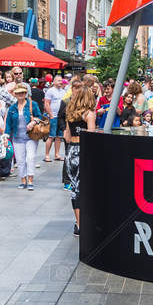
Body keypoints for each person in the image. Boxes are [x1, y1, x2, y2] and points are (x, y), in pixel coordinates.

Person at [63, 77, 96, 236]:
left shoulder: (70, 114)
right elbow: (91, 137)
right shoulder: (89, 114)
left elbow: (67, 137)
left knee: (75, 189)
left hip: (71, 152)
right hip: (83, 151)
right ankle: (85, 225)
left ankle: (78, 224)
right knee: (85, 188)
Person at [9, 82, 48, 190]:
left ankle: (30, 180)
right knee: (20, 160)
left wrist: (33, 122)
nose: (20, 94)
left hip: (31, 137)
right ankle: (23, 180)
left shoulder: (32, 104)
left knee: (30, 158)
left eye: (22, 92)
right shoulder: (12, 108)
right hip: (17, 138)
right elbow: (8, 123)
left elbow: (39, 116)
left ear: (26, 93)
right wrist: (5, 136)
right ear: (15, 94)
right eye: (18, 93)